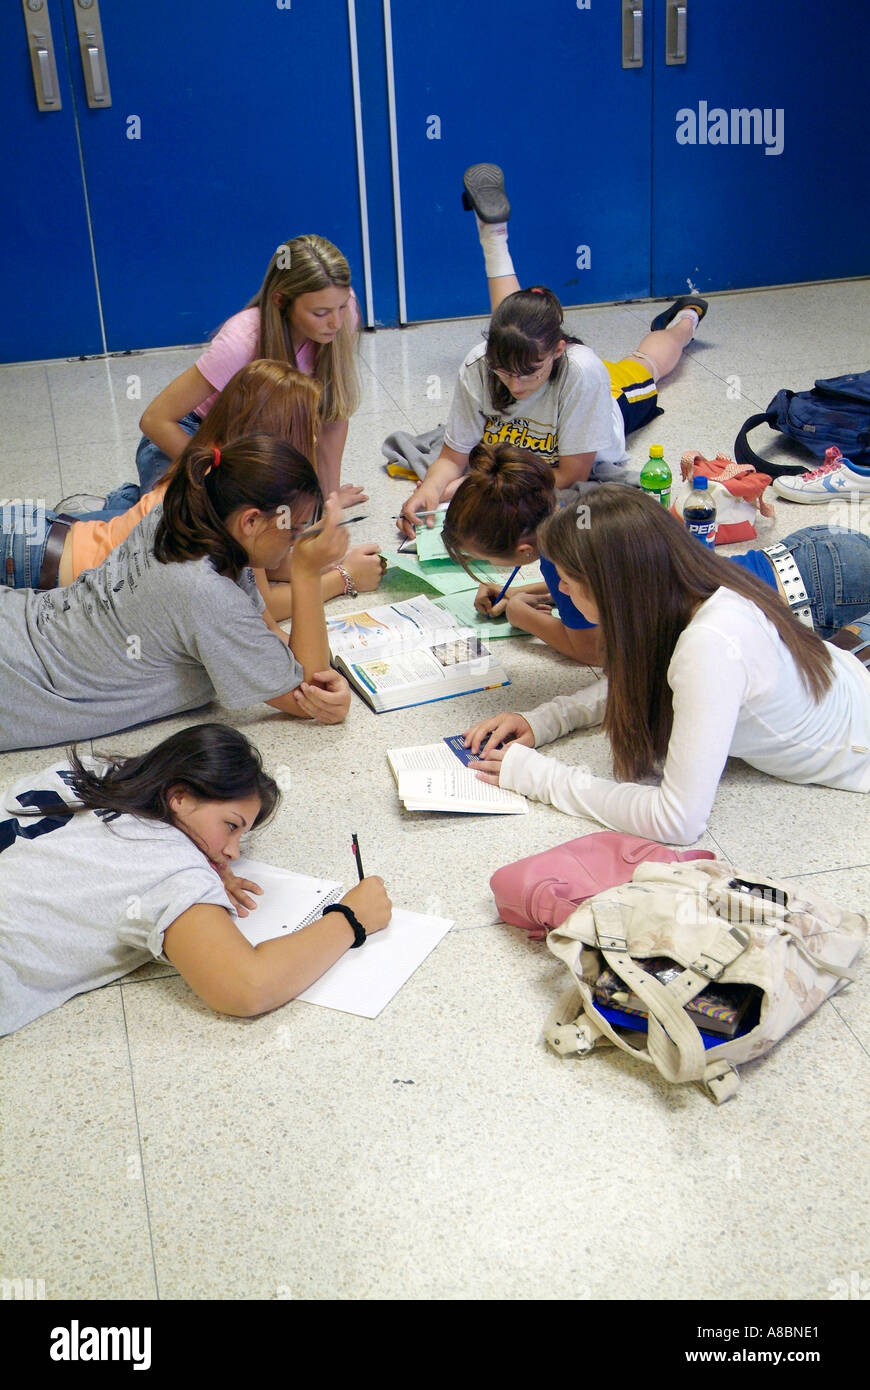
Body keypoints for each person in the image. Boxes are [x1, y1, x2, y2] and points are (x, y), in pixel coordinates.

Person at [464, 487, 870, 845]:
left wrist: (538, 777)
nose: (560, 591)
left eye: (568, 580)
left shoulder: (710, 647)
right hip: (850, 667)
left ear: (615, 587)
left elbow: (678, 819)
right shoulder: (687, 585)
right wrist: (548, 719)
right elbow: (650, 676)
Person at [0, 723, 391, 1037]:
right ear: (181, 796)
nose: (234, 852)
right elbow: (247, 988)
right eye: (231, 826)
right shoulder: (170, 866)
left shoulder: (86, 770)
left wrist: (209, 854)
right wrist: (350, 918)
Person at [398, 163, 707, 536]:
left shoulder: (582, 372)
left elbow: (571, 474)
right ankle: (493, 237)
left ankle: (686, 319)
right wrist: (430, 489)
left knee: (646, 364)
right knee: (514, 328)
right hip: (532, 350)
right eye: (503, 371)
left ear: (559, 349)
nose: (514, 385)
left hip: (605, 395)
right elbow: (450, 457)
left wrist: (470, 485)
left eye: (528, 374)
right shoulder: (481, 362)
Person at [0, 435, 354, 753]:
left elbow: (267, 637)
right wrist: (307, 572)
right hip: (19, 685)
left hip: (18, 620)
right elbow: (308, 688)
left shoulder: (179, 516)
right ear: (250, 522)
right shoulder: (206, 594)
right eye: (293, 532)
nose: (295, 544)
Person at [1, 360, 384, 617]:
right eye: (308, 434)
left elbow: (264, 564)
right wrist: (342, 579)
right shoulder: (231, 499)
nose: (315, 444)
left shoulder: (210, 462)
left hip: (40, 537)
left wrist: (321, 558)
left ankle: (117, 504)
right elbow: (260, 603)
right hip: (32, 565)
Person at [442, 442, 870, 660]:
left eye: (485, 560)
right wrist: (519, 592)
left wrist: (523, 617)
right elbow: (627, 586)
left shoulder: (561, 555)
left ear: (521, 549)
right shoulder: (580, 515)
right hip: (808, 555)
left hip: (815, 598)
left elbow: (589, 649)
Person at [65, 234, 365, 513]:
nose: (336, 322)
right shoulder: (242, 340)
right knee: (190, 532)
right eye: (320, 313)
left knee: (272, 525)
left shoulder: (343, 312)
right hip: (191, 437)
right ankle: (120, 505)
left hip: (247, 448)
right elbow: (155, 420)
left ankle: (143, 499)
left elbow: (333, 417)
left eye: (340, 307)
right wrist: (220, 481)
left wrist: (329, 499)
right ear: (280, 301)